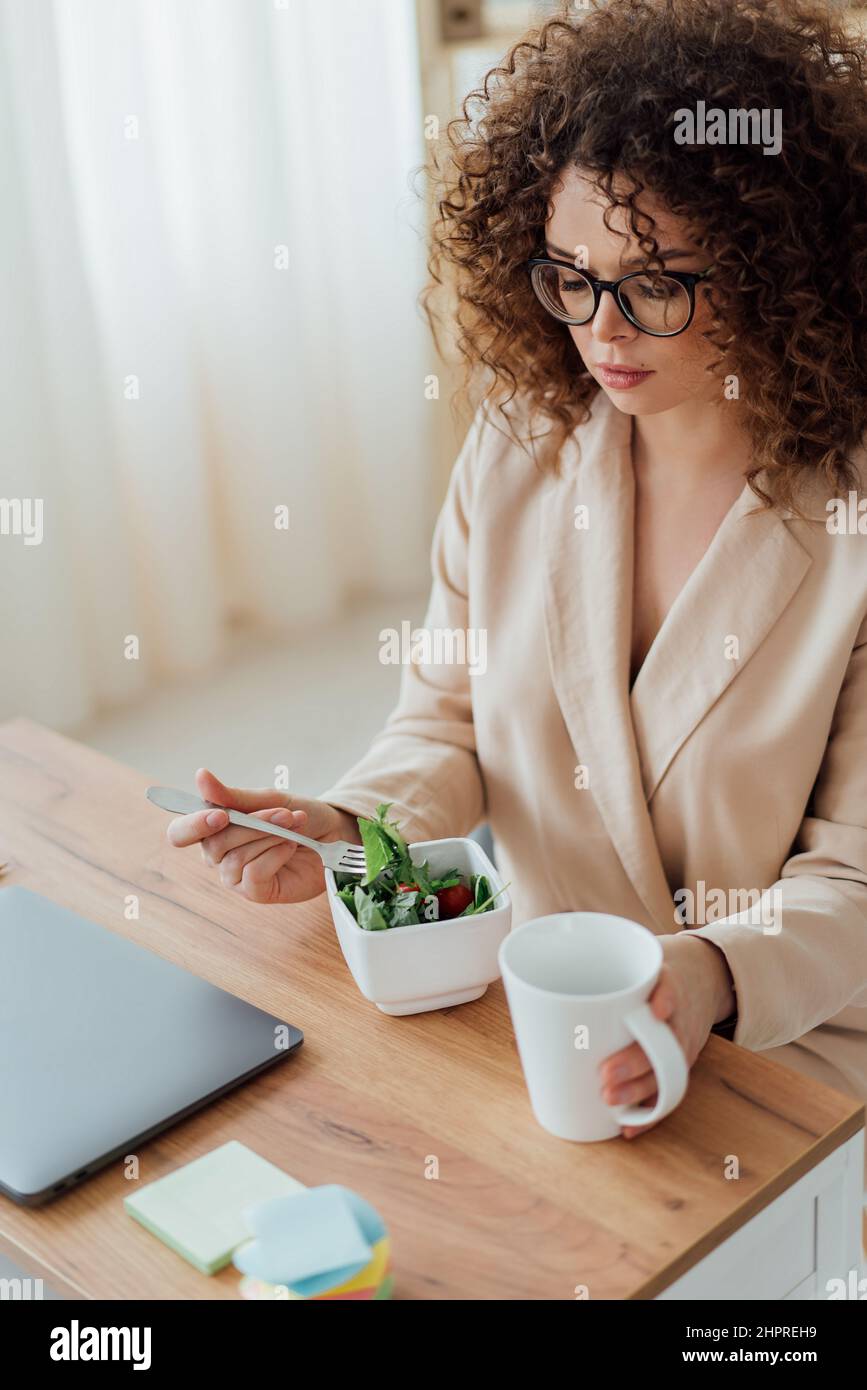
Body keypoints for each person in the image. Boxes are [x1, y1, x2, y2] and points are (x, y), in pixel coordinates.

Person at [166, 0, 867, 1174]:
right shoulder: (519, 447)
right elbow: (446, 719)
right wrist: (350, 834)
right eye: (571, 278)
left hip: (784, 1038)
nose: (603, 330)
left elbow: (855, 882)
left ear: (780, 265)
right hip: (546, 1014)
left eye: (656, 284)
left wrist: (705, 975)